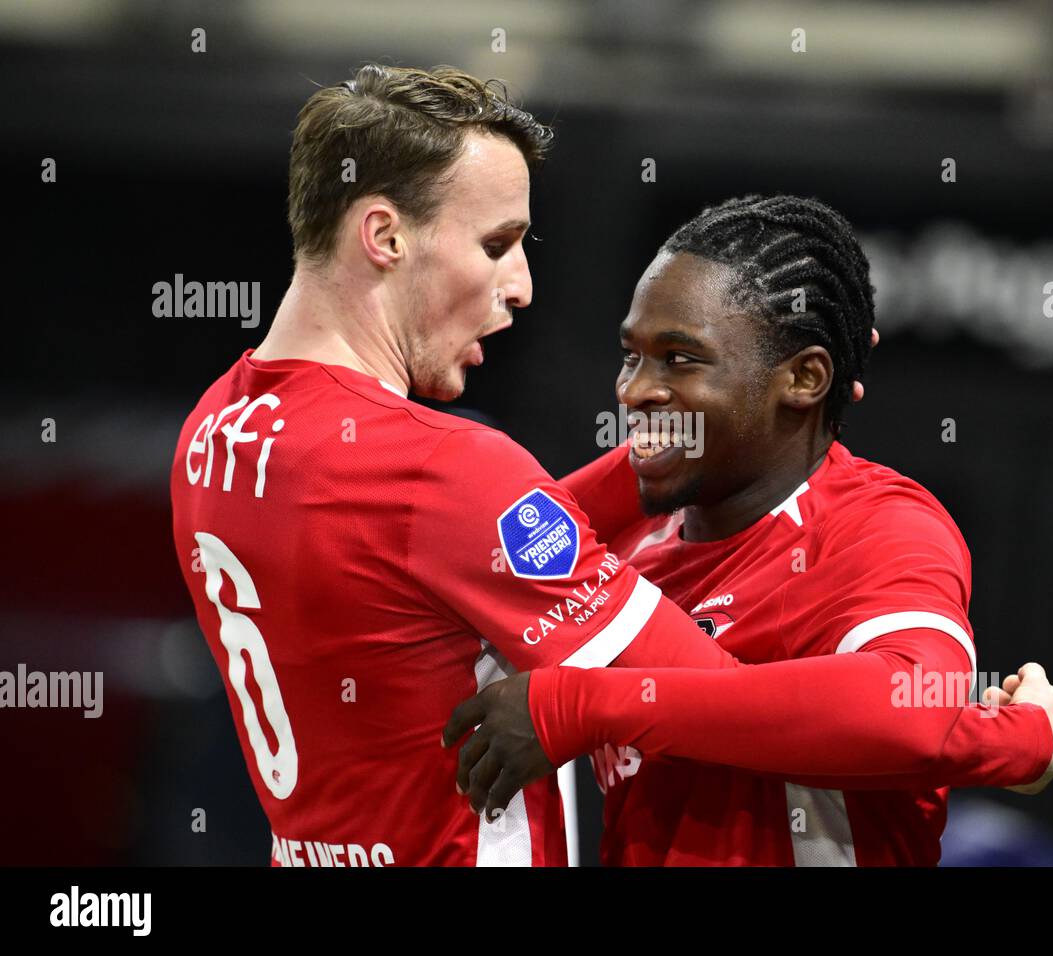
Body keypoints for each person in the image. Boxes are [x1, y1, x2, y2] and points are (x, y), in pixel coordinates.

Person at [169, 63, 744, 867]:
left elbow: (447, 550)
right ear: (385, 236)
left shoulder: (213, 430)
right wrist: (955, 725)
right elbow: (721, 707)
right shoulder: (440, 467)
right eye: (497, 244)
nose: (522, 287)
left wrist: (671, 451)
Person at [445, 195, 1053, 866]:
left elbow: (911, 709)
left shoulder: (877, 524)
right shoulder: (627, 538)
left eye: (679, 359)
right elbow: (489, 547)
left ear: (804, 377)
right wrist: (1026, 739)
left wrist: (592, 704)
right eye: (630, 355)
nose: (633, 389)